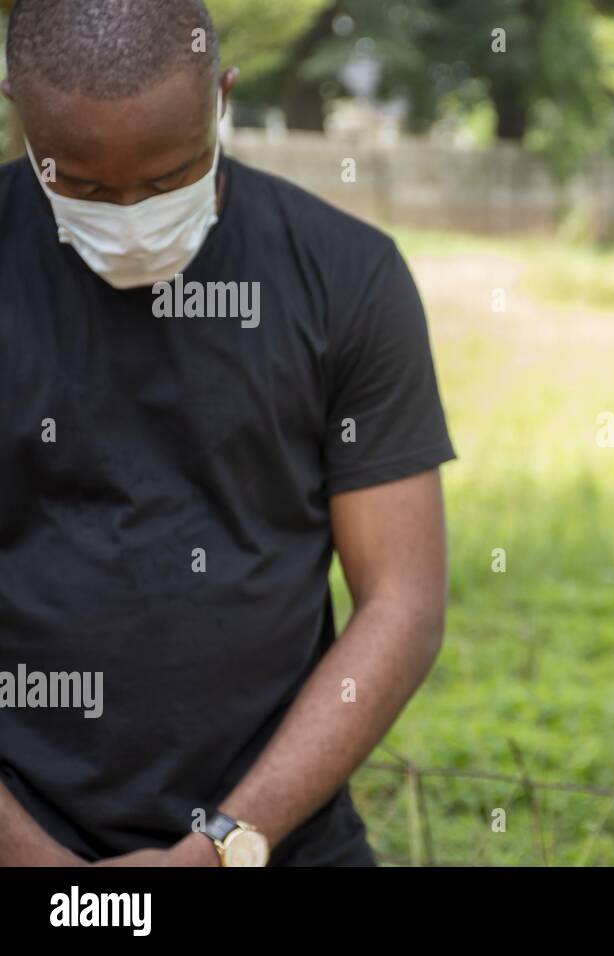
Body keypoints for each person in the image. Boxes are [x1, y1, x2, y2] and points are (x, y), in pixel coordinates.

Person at [0, 0, 455, 865]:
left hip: (275, 840)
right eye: (85, 185)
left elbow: (401, 602)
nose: (131, 216)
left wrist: (224, 845)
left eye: (172, 175)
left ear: (223, 96)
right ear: (18, 109)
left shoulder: (347, 278)